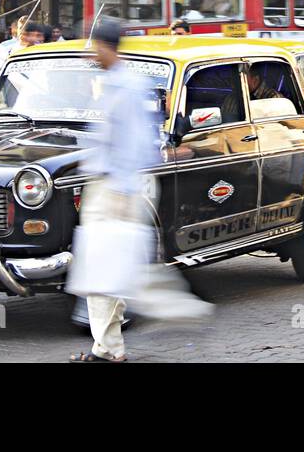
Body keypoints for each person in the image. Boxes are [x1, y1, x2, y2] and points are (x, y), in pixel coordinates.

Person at [68, 20, 210, 361]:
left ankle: (118, 342)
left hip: (118, 187)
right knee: (111, 271)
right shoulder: (117, 83)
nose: (90, 55)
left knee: (105, 272)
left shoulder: (126, 87)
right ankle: (110, 345)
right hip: (114, 185)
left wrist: (121, 193)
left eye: (93, 47)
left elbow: (136, 144)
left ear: (105, 47)